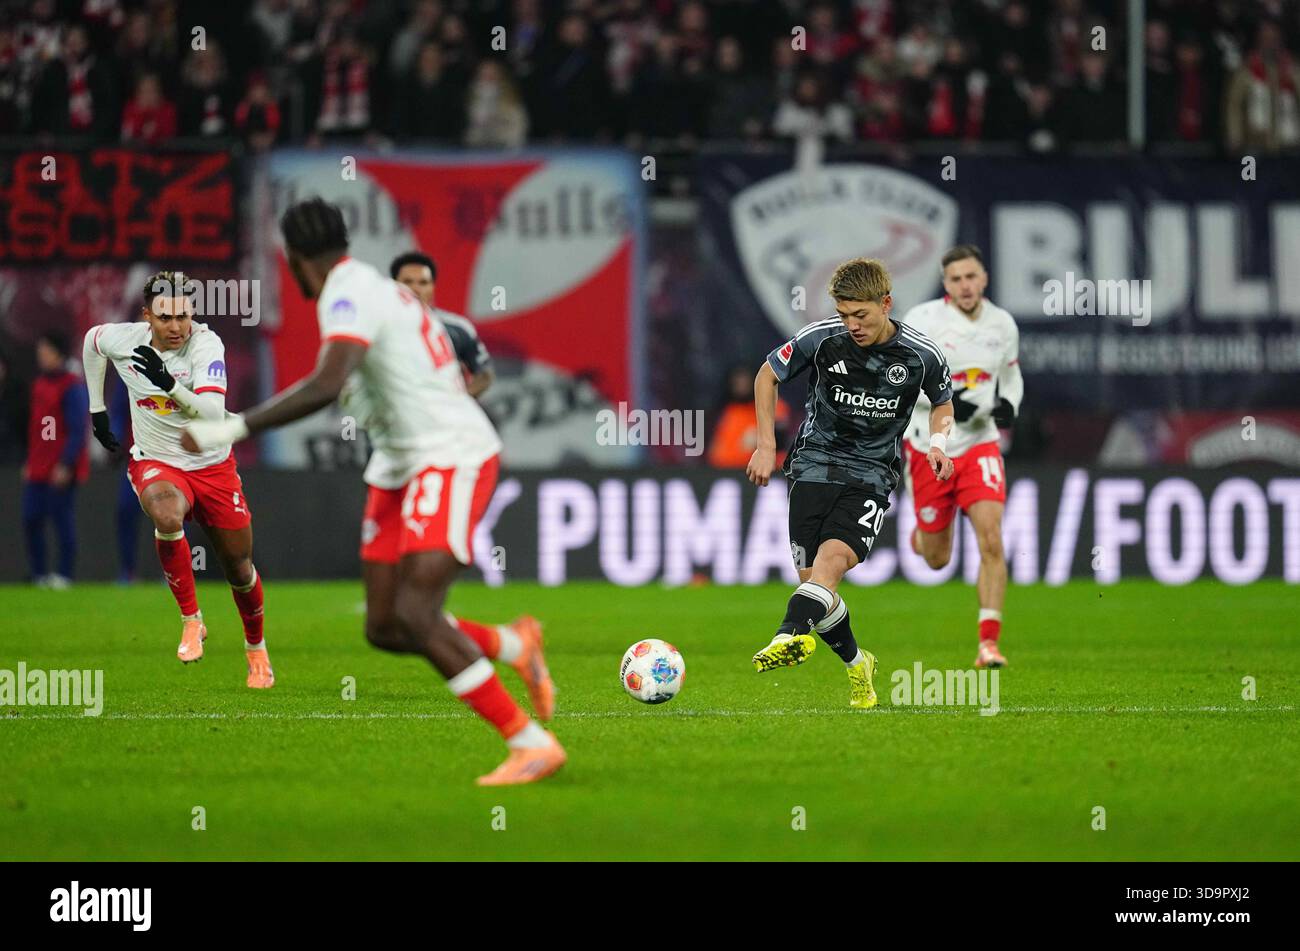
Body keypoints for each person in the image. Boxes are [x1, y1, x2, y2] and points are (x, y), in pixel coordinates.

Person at [183, 199, 562, 786]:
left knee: (417, 612)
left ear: (295, 259)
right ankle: (514, 643)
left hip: (450, 454)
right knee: (385, 625)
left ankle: (529, 743)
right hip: (398, 463)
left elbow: (328, 383)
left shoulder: (346, 291)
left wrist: (235, 426)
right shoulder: (370, 289)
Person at [746, 258, 954, 709]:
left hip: (871, 475)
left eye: (861, 314)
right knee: (816, 587)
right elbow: (767, 374)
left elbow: (942, 401)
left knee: (832, 563)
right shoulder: (822, 340)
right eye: (844, 314)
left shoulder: (921, 354)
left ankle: (787, 634)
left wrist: (938, 443)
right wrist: (766, 445)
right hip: (812, 467)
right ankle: (859, 664)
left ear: (886, 304)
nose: (852, 324)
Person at [83, 271, 274, 688]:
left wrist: (167, 383)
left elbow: (209, 414)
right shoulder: (126, 339)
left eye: (183, 317)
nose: (175, 327)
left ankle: (256, 648)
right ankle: (192, 620)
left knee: (240, 569)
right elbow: (92, 342)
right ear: (146, 316)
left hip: (212, 464)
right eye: (165, 317)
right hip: (158, 462)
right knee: (166, 516)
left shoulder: (207, 345)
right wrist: (97, 409)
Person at [901, 245, 1023, 669]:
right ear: (946, 284)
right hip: (929, 444)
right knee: (937, 559)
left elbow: (1010, 375)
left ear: (984, 278)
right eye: (956, 279)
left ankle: (988, 643)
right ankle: (923, 533)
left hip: (979, 444)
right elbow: (901, 383)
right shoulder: (923, 321)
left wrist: (1009, 404)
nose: (965, 285)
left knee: (991, 538)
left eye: (971, 276)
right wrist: (942, 403)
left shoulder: (1002, 323)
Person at [23, 332, 89, 588]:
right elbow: (37, 429)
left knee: (62, 521)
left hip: (60, 468)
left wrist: (66, 464)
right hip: (37, 466)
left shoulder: (72, 386)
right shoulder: (39, 384)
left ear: (58, 354)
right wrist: (30, 460)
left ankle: (64, 574)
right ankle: (39, 574)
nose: (41, 356)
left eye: (46, 351)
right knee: (31, 519)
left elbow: (77, 429)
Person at [388, 251, 494, 398]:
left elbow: (484, 374)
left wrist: (458, 403)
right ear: (393, 285)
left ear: (433, 287)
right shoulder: (378, 326)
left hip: (440, 415)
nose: (415, 289)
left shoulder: (457, 328)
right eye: (407, 282)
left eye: (423, 283)